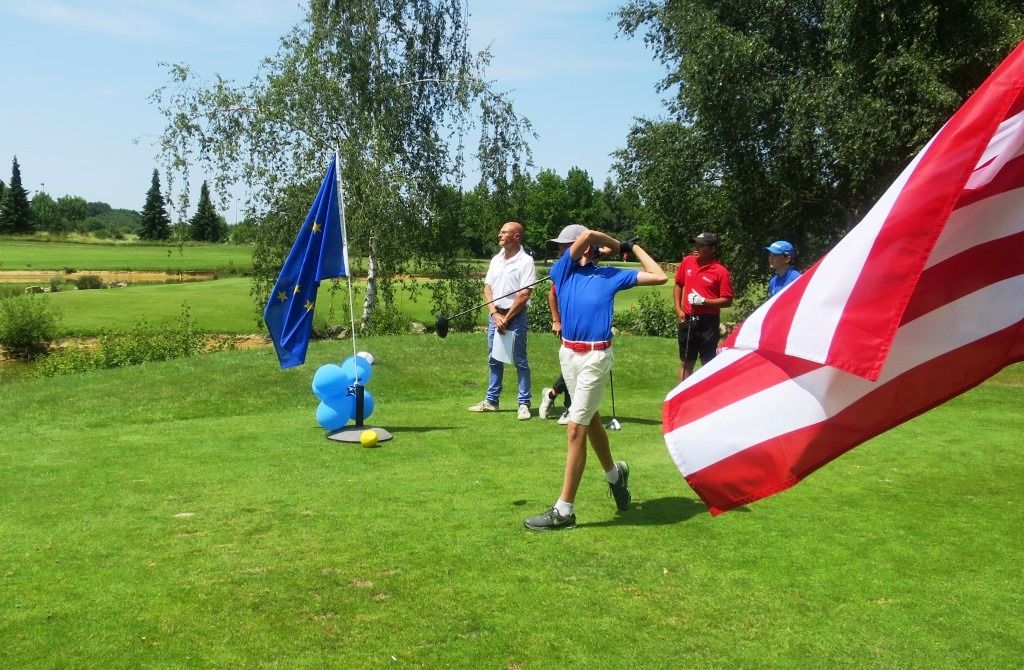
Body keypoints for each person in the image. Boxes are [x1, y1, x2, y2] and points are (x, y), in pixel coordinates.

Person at [523, 225, 667, 531]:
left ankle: (564, 511)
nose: (561, 252)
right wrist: (615, 244)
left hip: (596, 358)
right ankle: (616, 476)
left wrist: (630, 249)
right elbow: (588, 235)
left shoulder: (611, 275)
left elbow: (659, 275)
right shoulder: (562, 271)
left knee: (576, 428)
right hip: (568, 355)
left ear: (582, 249)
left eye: (566, 246)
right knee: (591, 420)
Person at [467, 221, 536, 420]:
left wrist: (506, 317)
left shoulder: (525, 261)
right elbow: (487, 289)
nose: (499, 235)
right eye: (500, 232)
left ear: (516, 237)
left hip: (516, 316)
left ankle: (524, 403)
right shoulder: (496, 259)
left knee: (520, 361)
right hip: (496, 316)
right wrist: (494, 314)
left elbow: (524, 295)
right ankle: (492, 401)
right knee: (494, 359)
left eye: (504, 232)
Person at [674, 232, 733, 381]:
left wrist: (703, 301)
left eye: (701, 246)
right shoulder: (687, 262)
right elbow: (679, 284)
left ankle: (708, 399)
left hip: (708, 322)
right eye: (695, 244)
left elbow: (727, 300)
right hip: (687, 320)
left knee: (708, 363)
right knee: (686, 362)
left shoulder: (720, 272)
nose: (696, 248)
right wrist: (678, 310)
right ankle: (682, 399)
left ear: (712, 249)